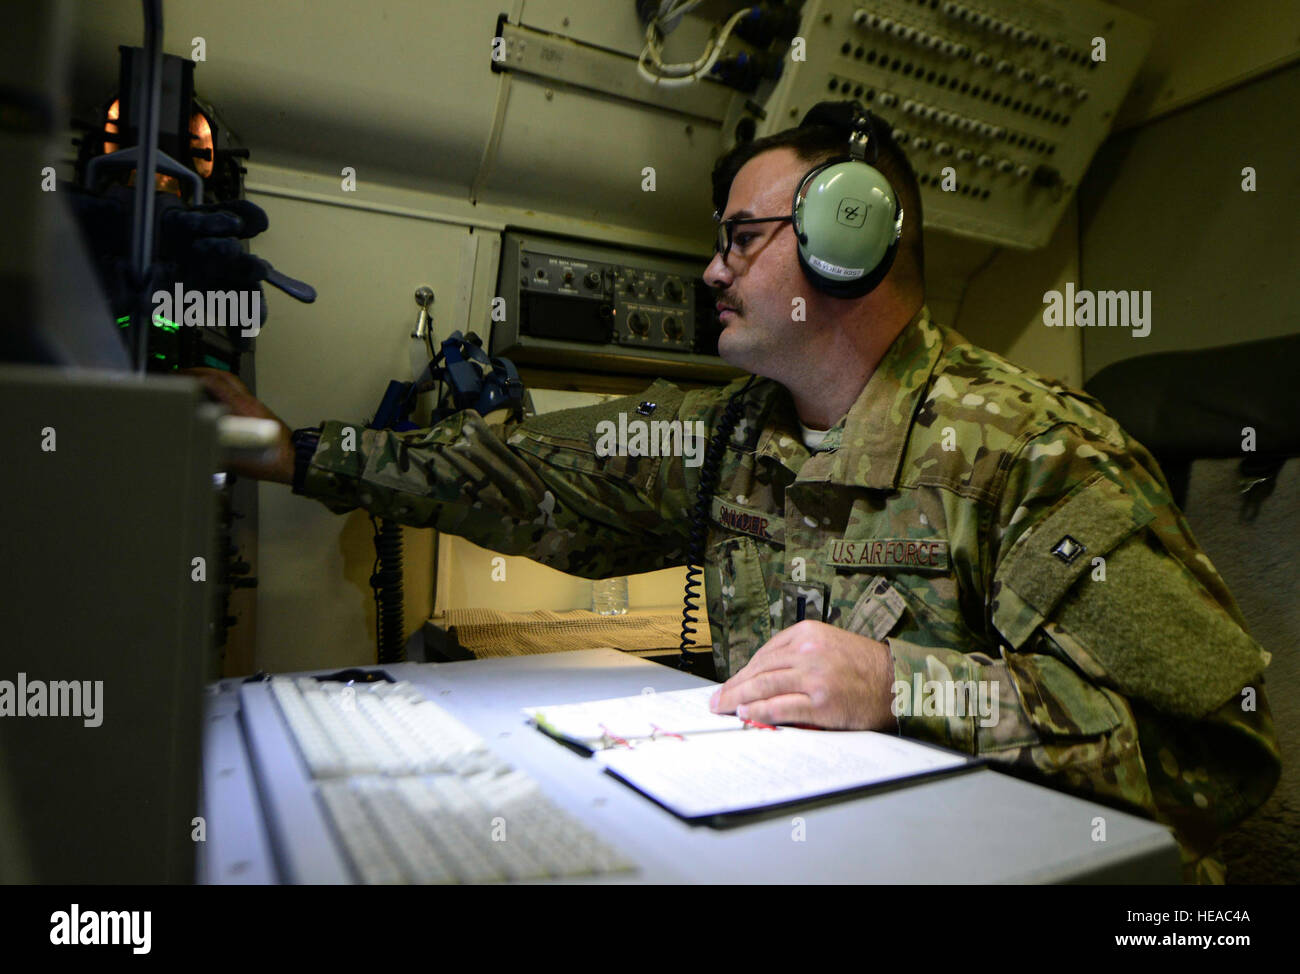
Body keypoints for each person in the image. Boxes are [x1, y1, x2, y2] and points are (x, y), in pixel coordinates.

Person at [192, 103, 1280, 884]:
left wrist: (904, 683)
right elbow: (528, 474)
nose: (711, 271)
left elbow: (1210, 752)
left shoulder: (1036, 450)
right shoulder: (736, 434)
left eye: (738, 239)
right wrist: (292, 451)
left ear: (847, 239)